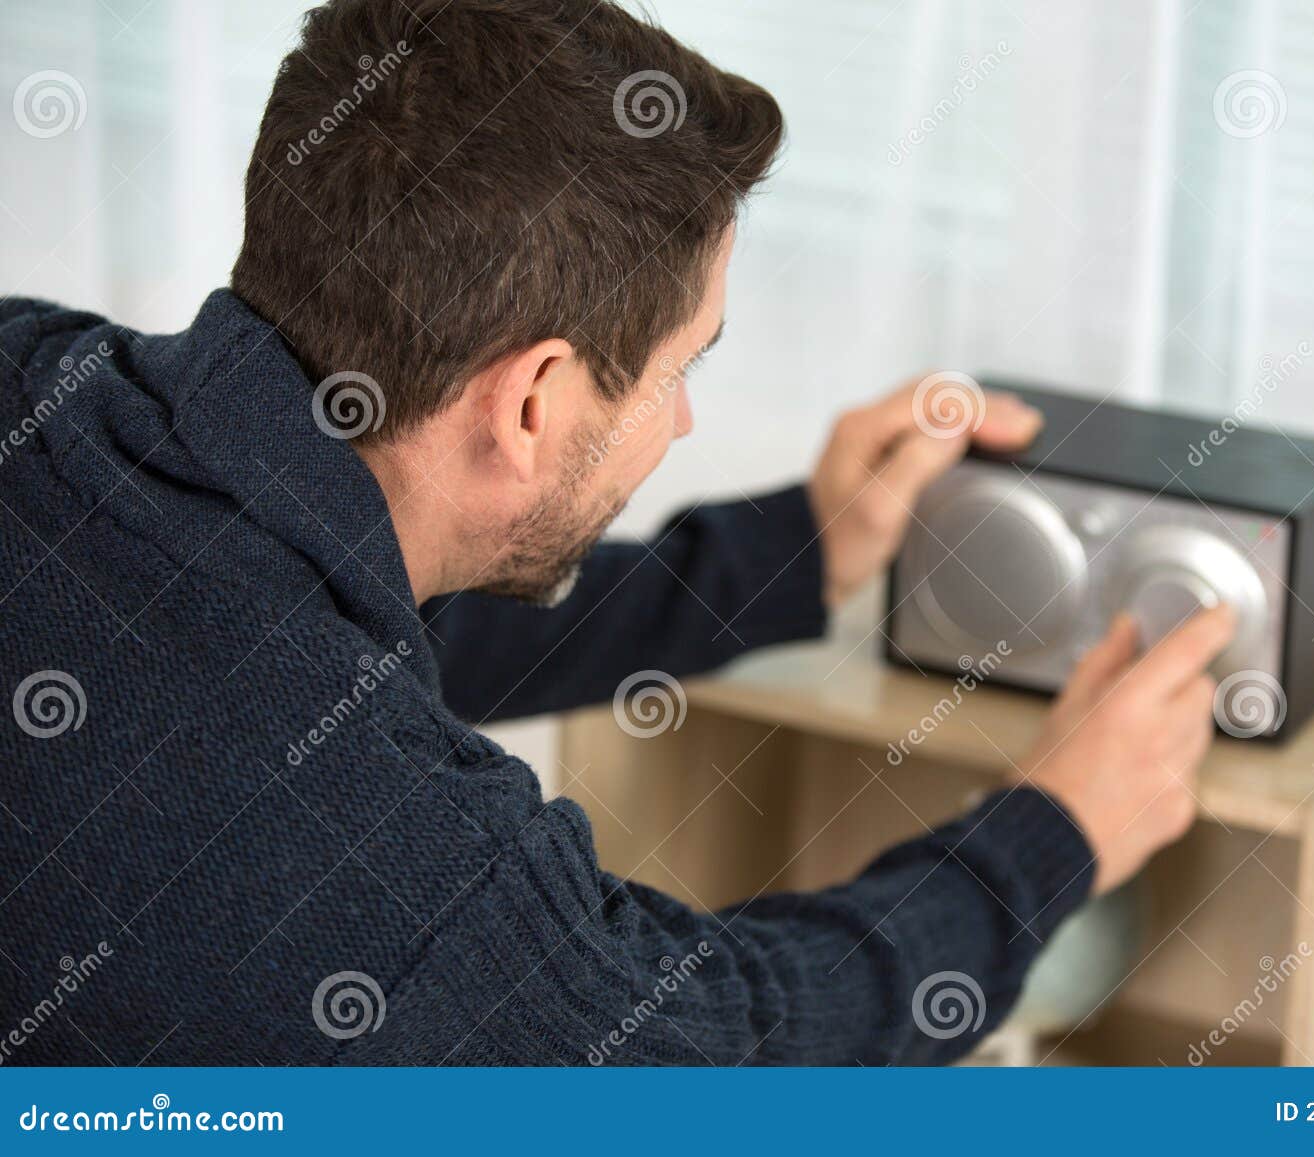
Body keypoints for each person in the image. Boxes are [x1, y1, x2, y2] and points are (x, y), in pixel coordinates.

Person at [0, 0, 1230, 1065]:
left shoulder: (47, 391)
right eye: (679, 368)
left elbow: (302, 624)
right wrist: (1058, 827)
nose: (687, 417)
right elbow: (723, 1053)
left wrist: (787, 558)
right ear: (533, 401)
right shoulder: (391, 870)